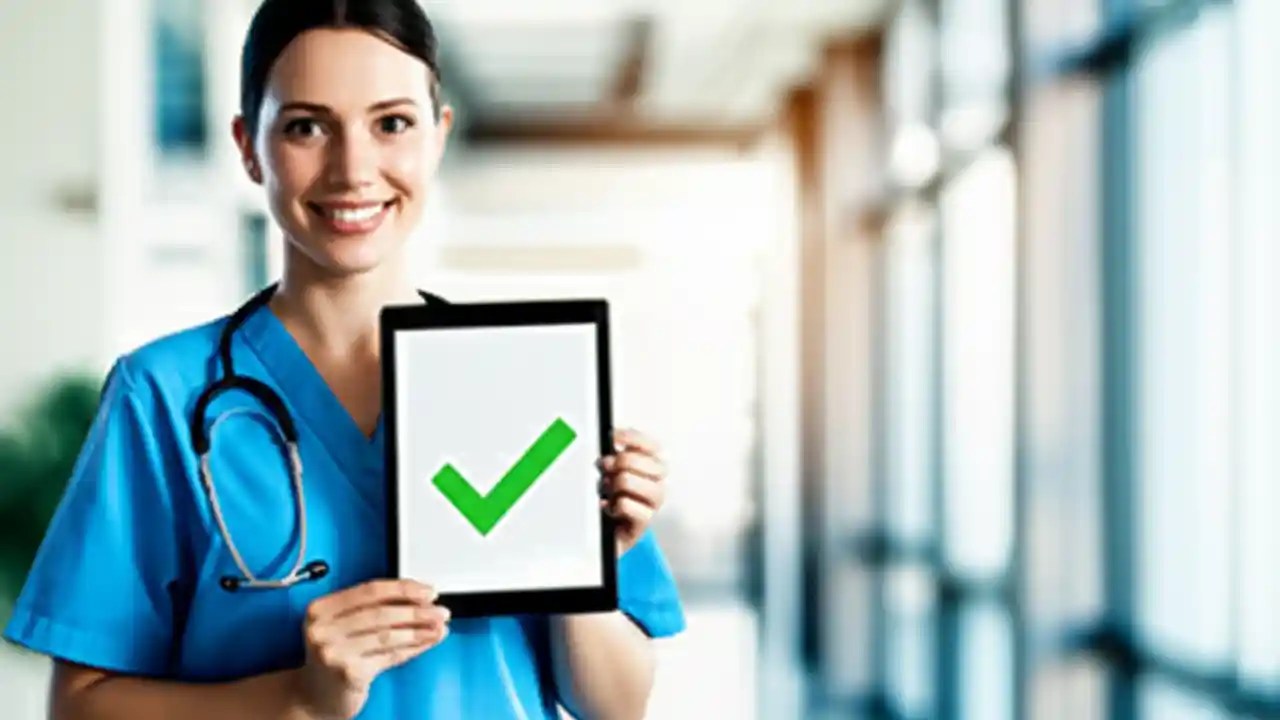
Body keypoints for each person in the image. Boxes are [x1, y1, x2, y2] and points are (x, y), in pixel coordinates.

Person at [1, 1, 686, 718]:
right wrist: (296, 699)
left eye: (391, 123)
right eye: (306, 127)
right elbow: (80, 707)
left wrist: (589, 567)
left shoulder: (528, 373)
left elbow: (616, 707)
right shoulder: (164, 397)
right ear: (247, 146)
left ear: (437, 136)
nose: (353, 169)